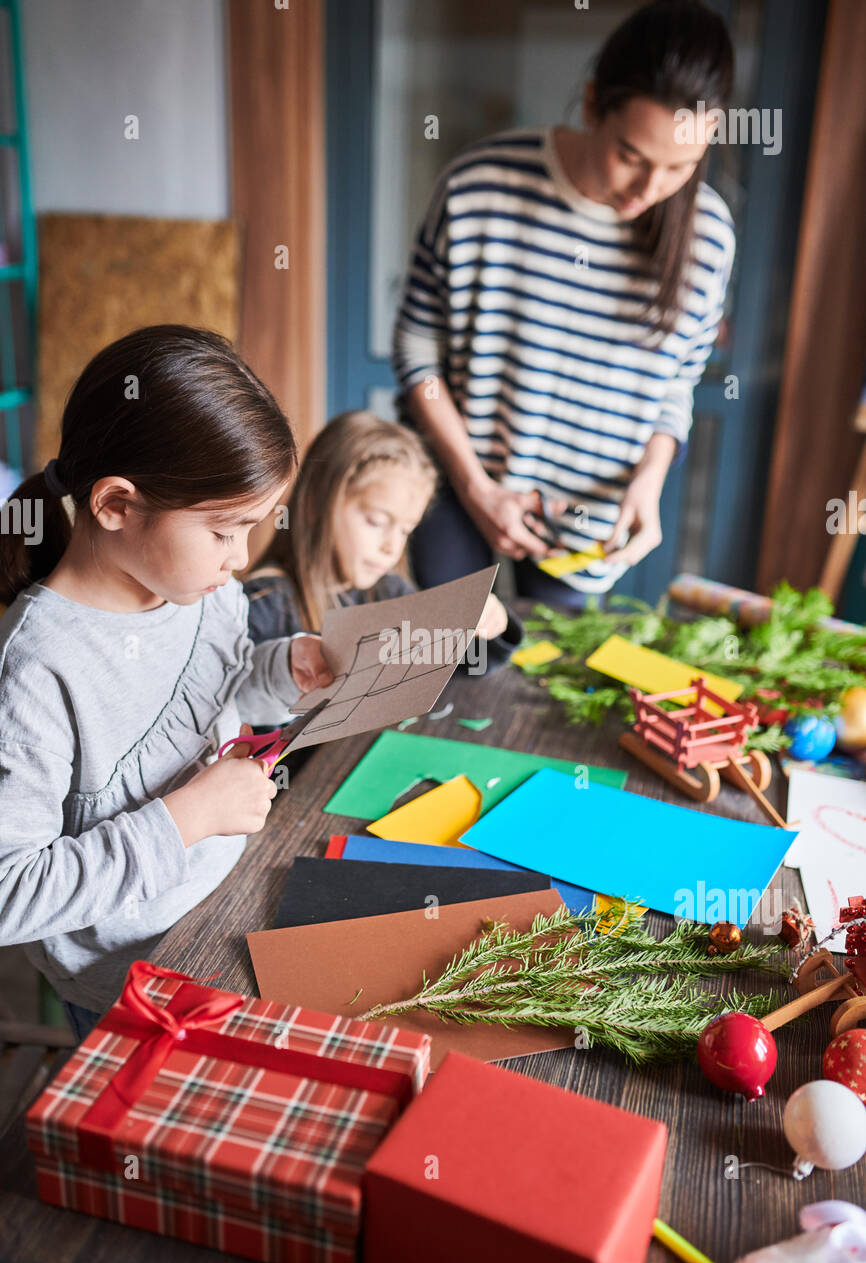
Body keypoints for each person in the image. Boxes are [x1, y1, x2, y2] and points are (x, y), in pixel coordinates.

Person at [0, 325, 333, 1043]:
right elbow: (10, 892)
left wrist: (281, 670)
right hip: (132, 976)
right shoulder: (36, 668)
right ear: (116, 505)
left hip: (229, 900)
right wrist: (188, 819)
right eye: (223, 530)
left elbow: (220, 694)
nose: (239, 559)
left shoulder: (201, 590)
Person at [392, 0, 735, 608]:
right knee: (444, 664)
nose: (649, 189)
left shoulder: (708, 237)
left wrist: (650, 482)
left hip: (587, 522)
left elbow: (677, 385)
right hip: (457, 483)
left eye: (681, 166)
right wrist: (474, 486)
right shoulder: (479, 187)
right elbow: (417, 346)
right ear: (593, 101)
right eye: (631, 155)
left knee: (546, 691)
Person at [243, 409, 522, 668]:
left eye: (405, 531)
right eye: (376, 522)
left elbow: (459, 666)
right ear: (316, 504)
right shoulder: (261, 606)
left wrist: (485, 626)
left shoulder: (390, 591)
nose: (392, 547)